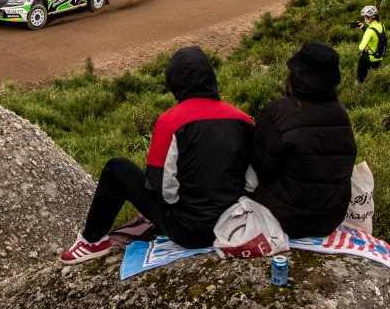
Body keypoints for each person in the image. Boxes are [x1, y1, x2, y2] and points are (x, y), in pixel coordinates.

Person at [58, 46, 252, 263]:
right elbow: (252, 182)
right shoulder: (243, 119)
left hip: (189, 232)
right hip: (234, 227)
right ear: (210, 77)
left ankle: (91, 241)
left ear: (174, 82)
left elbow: (163, 190)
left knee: (117, 168)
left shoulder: (170, 122)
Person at [249, 42, 358, 238]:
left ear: (295, 76)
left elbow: (260, 167)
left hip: (284, 220)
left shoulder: (280, 111)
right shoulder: (341, 113)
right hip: (330, 219)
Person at [355, 5, 386, 84]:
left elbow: (361, 47)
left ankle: (359, 85)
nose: (365, 19)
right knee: (373, 78)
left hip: (369, 58)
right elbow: (376, 35)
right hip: (378, 57)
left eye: (366, 17)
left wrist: (365, 47)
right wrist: (364, 28)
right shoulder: (381, 26)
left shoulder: (369, 31)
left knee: (361, 79)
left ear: (371, 18)